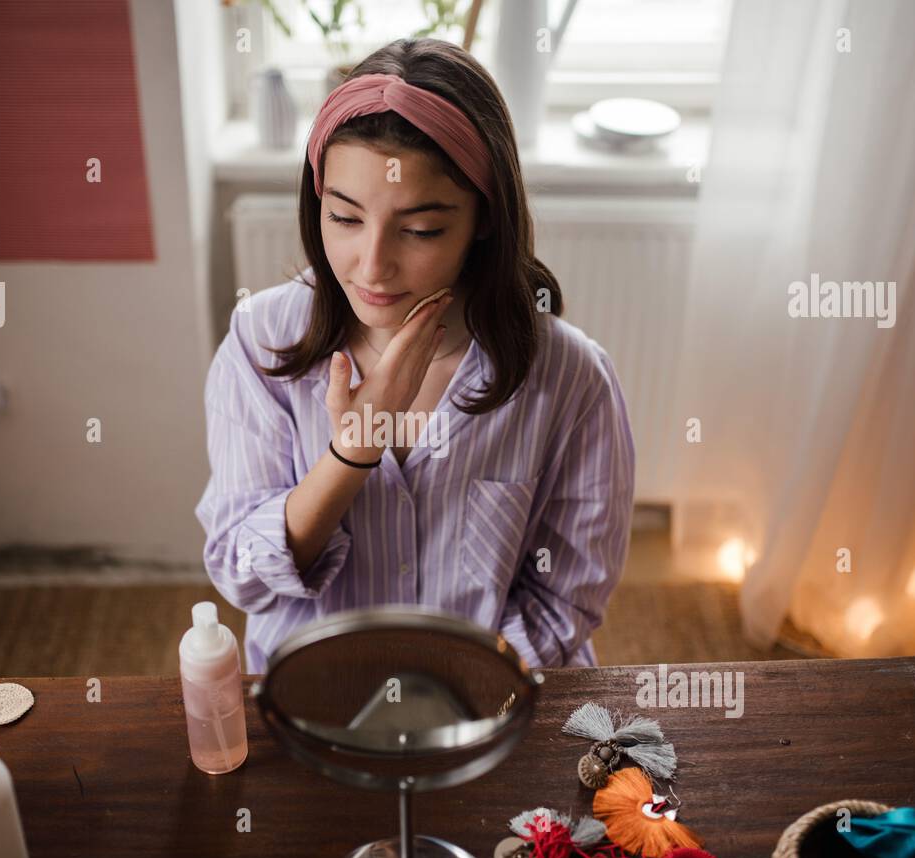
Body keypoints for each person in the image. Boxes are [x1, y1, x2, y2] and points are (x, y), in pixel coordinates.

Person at [196, 37, 635, 673]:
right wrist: (353, 451)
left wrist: (446, 699)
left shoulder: (571, 378)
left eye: (422, 229)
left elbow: (566, 598)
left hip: (493, 694)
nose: (372, 266)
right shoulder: (261, 341)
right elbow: (245, 578)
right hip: (314, 692)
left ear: (484, 218)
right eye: (345, 219)